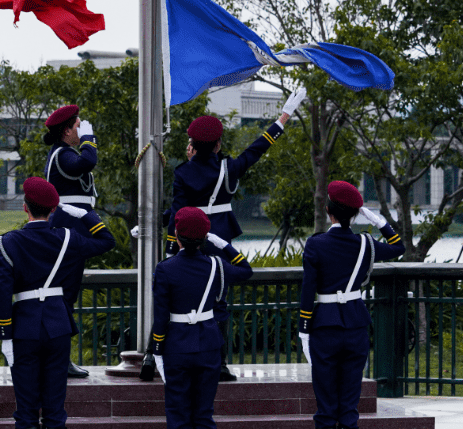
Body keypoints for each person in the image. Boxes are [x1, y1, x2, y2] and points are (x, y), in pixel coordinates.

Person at [163, 85, 306, 381]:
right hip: (219, 240)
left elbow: (177, 214)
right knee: (218, 301)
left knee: (184, 301)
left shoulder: (183, 173)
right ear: (218, 145)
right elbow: (258, 147)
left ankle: (182, 358)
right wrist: (283, 117)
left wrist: (169, 249)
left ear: (192, 145)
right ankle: (220, 363)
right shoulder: (229, 168)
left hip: (188, 239)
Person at [0, 177, 116, 429]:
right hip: (57, 324)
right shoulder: (67, 237)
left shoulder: (8, 242)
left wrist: (5, 335)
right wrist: (85, 215)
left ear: (25, 207)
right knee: (54, 409)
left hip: (24, 327)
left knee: (26, 411)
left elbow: (4, 293)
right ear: (53, 209)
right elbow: (107, 241)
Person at [299, 181, 404, 429]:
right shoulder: (365, 244)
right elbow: (398, 247)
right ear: (356, 214)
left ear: (327, 210)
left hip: (324, 325)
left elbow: (308, 289)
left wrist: (303, 328)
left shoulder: (315, 244)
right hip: (355, 324)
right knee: (349, 406)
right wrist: (379, 222)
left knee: (326, 406)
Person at [142, 207, 254, 429]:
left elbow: (161, 316)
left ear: (176, 234)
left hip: (176, 346)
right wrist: (223, 244)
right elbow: (246, 270)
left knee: (178, 414)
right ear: (205, 237)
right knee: (203, 414)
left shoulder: (165, 269)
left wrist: (156, 350)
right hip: (209, 344)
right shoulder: (216, 265)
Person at [41, 103, 98, 377]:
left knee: (67, 294)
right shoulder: (62, 155)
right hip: (68, 230)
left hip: (74, 230)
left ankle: (59, 358)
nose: (81, 130)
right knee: (64, 295)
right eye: (78, 126)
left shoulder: (64, 153)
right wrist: (89, 140)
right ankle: (59, 359)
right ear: (66, 131)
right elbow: (87, 162)